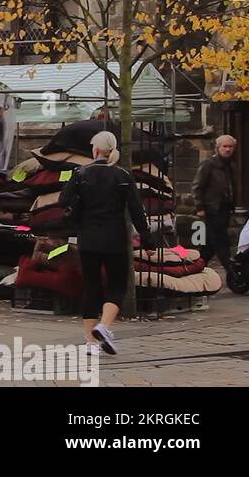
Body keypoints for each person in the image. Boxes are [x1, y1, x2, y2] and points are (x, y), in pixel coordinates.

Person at [59, 131, 155, 356]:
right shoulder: (122, 175)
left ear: (94, 150)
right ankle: (104, 326)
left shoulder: (81, 173)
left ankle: (90, 342)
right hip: (115, 238)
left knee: (91, 287)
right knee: (117, 286)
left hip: (88, 238)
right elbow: (136, 211)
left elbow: (64, 199)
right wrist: (147, 239)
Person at [194, 135, 237, 277]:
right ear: (217, 148)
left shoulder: (230, 165)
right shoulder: (209, 164)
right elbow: (197, 186)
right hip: (212, 209)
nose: (228, 149)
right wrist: (200, 207)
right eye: (225, 146)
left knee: (208, 246)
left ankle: (195, 269)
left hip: (224, 208)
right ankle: (233, 273)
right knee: (221, 241)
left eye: (230, 147)